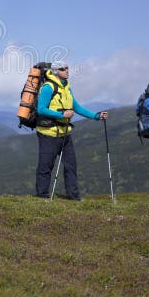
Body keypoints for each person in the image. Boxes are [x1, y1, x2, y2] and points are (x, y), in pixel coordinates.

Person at [35, 60, 108, 200]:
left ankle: (73, 197)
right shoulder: (48, 87)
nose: (67, 70)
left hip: (64, 133)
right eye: (63, 69)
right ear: (56, 71)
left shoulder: (66, 87)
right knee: (46, 166)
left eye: (67, 68)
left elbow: (77, 107)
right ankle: (42, 196)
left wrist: (96, 116)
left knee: (71, 165)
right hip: (48, 134)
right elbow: (41, 109)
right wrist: (61, 115)